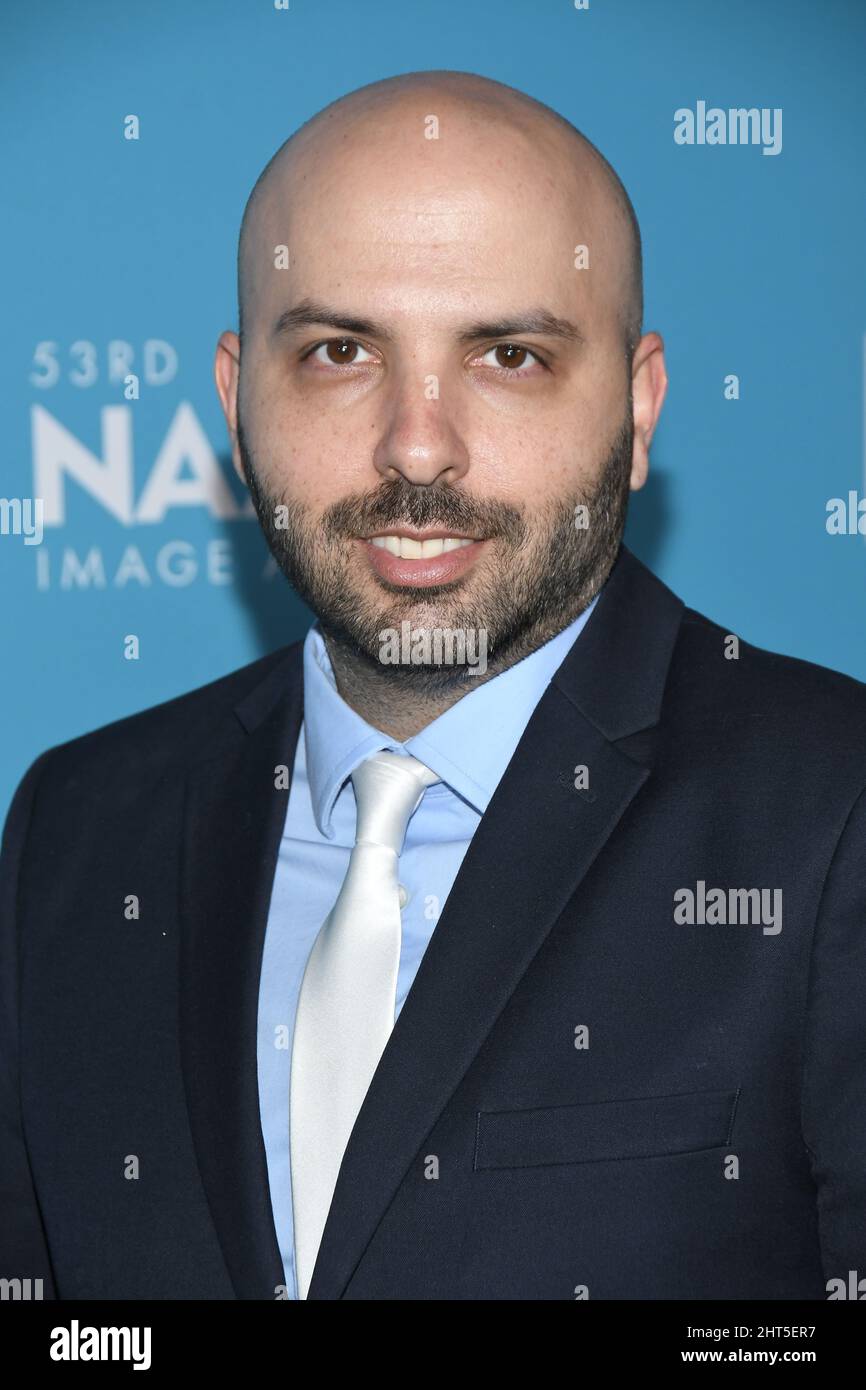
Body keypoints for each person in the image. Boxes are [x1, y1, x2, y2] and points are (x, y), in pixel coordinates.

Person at [2, 70, 865, 1302]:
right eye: (340, 350)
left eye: (507, 355)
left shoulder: (831, 812)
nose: (417, 445)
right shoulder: (79, 830)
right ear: (236, 400)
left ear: (635, 408)